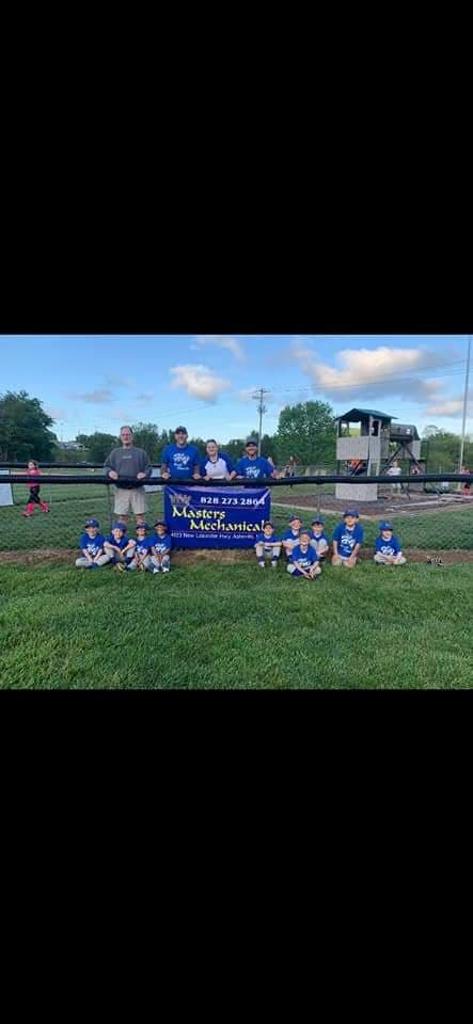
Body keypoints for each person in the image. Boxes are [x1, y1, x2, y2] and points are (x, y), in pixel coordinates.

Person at [104, 426, 152, 528]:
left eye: (128, 434)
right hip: (121, 489)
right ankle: (122, 537)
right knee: (122, 518)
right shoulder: (115, 453)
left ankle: (141, 537)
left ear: (132, 436)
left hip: (137, 489)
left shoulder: (141, 453)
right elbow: (106, 466)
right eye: (123, 435)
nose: (126, 437)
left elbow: (148, 468)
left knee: (140, 517)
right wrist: (110, 472)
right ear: (120, 437)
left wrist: (144, 474)